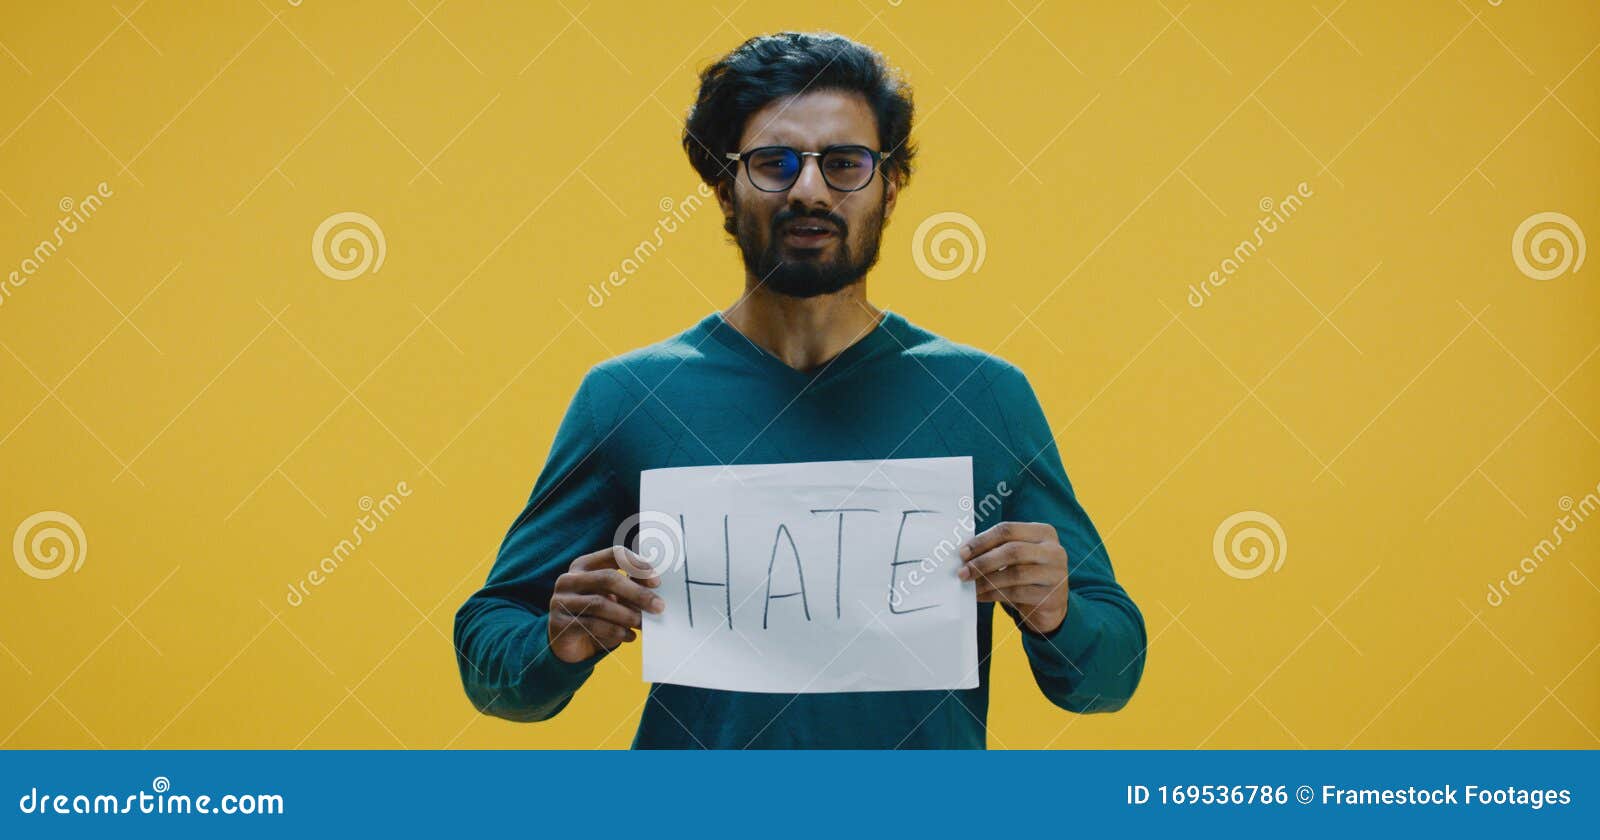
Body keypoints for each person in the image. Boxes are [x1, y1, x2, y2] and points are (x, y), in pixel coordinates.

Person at [453, 31, 1145, 748]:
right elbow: (493, 663)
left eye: (844, 163)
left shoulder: (983, 397)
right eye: (773, 163)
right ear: (726, 189)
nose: (809, 189)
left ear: (891, 185)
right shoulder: (629, 400)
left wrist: (1062, 614)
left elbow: (1109, 678)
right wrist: (553, 643)